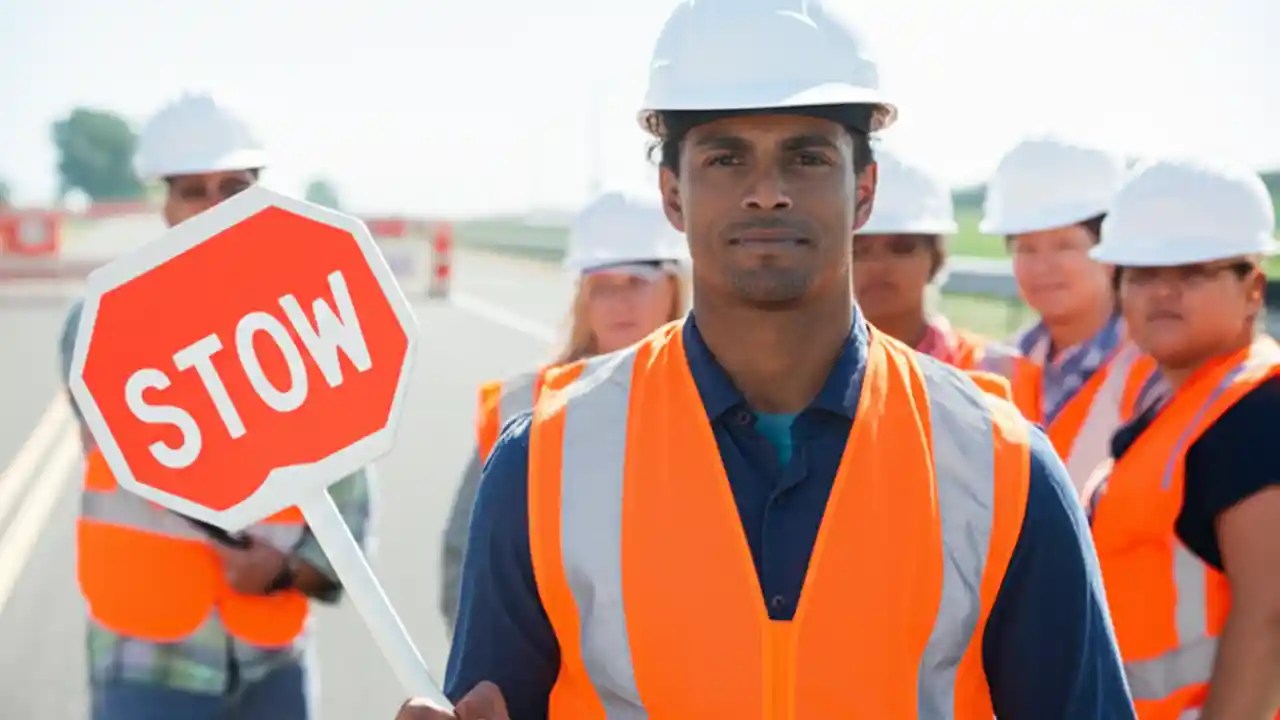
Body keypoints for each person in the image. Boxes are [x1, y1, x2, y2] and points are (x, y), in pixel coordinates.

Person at [399, 1, 1134, 717]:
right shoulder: (544, 463)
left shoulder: (1000, 468)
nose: (767, 193)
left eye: (807, 157)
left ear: (866, 189)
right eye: (725, 158)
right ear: (672, 194)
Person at [59, 93, 373, 720]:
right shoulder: (99, 326)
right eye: (193, 190)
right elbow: (150, 456)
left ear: (261, 194)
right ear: (166, 203)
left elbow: (349, 491)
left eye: (233, 187)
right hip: (145, 659)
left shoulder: (307, 323)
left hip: (271, 662)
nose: (213, 207)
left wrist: (287, 570)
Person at [440, 190, 690, 630]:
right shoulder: (522, 407)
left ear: (674, 286)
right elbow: (467, 559)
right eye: (602, 286)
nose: (620, 301)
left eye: (636, 281)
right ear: (582, 298)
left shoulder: (721, 403)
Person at [1085, 158, 1280, 719]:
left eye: (1194, 271)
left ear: (1253, 289)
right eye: (1142, 273)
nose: (1163, 291)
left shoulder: (1258, 413)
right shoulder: (1172, 407)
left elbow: (1268, 614)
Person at [982, 135, 1155, 494]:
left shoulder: (1154, 368)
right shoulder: (995, 366)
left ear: (1110, 251)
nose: (1043, 266)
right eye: (1026, 248)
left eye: (1064, 246)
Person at [853, 143, 1038, 416]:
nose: (879, 266)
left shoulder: (998, 372)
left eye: (902, 248)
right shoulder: (803, 375)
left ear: (935, 257)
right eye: (857, 250)